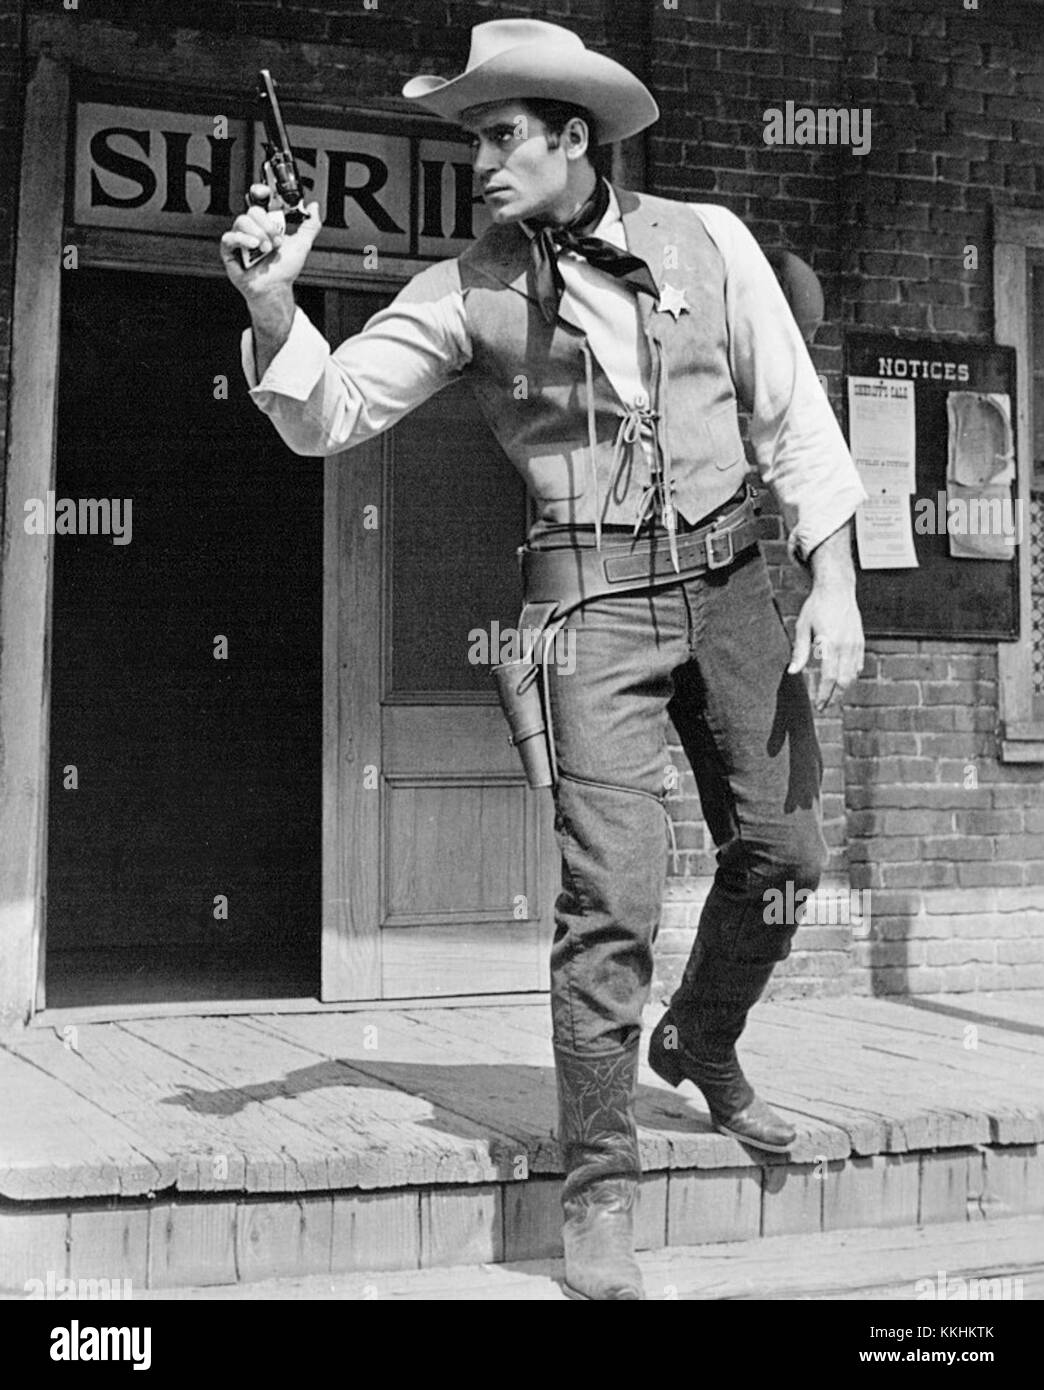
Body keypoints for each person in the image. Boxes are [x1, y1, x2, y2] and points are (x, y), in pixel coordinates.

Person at [220, 18, 867, 1301]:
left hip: (738, 578)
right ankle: (601, 1189)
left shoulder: (712, 240)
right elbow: (330, 411)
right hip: (590, 605)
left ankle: (702, 1036)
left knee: (789, 851)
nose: (482, 162)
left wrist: (833, 585)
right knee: (611, 892)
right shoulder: (466, 289)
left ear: (576, 138)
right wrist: (268, 296)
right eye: (474, 140)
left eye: (504, 135)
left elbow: (793, 413)